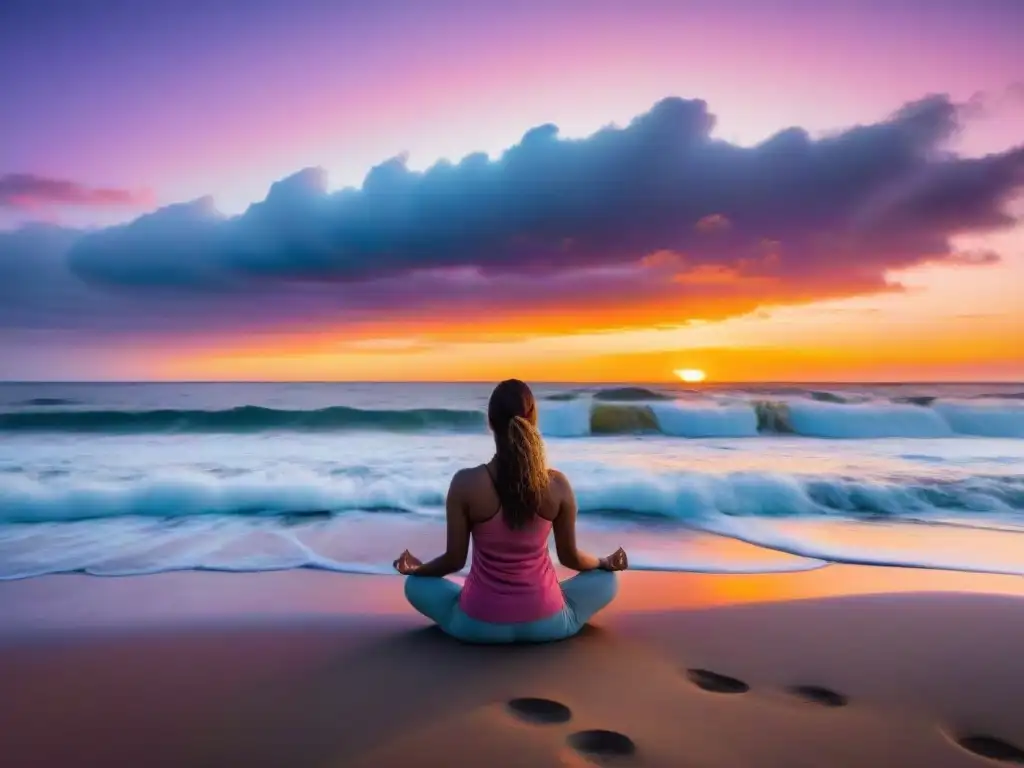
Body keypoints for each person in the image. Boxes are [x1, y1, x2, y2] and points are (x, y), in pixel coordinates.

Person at [394, 378, 628, 643]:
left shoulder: (466, 483)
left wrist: (418, 568)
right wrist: (603, 563)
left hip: (478, 626)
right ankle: (549, 602)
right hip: (548, 623)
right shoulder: (557, 485)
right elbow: (570, 558)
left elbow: (454, 561)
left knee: (415, 584)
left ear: (490, 422)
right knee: (608, 581)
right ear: (534, 421)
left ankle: (466, 614)